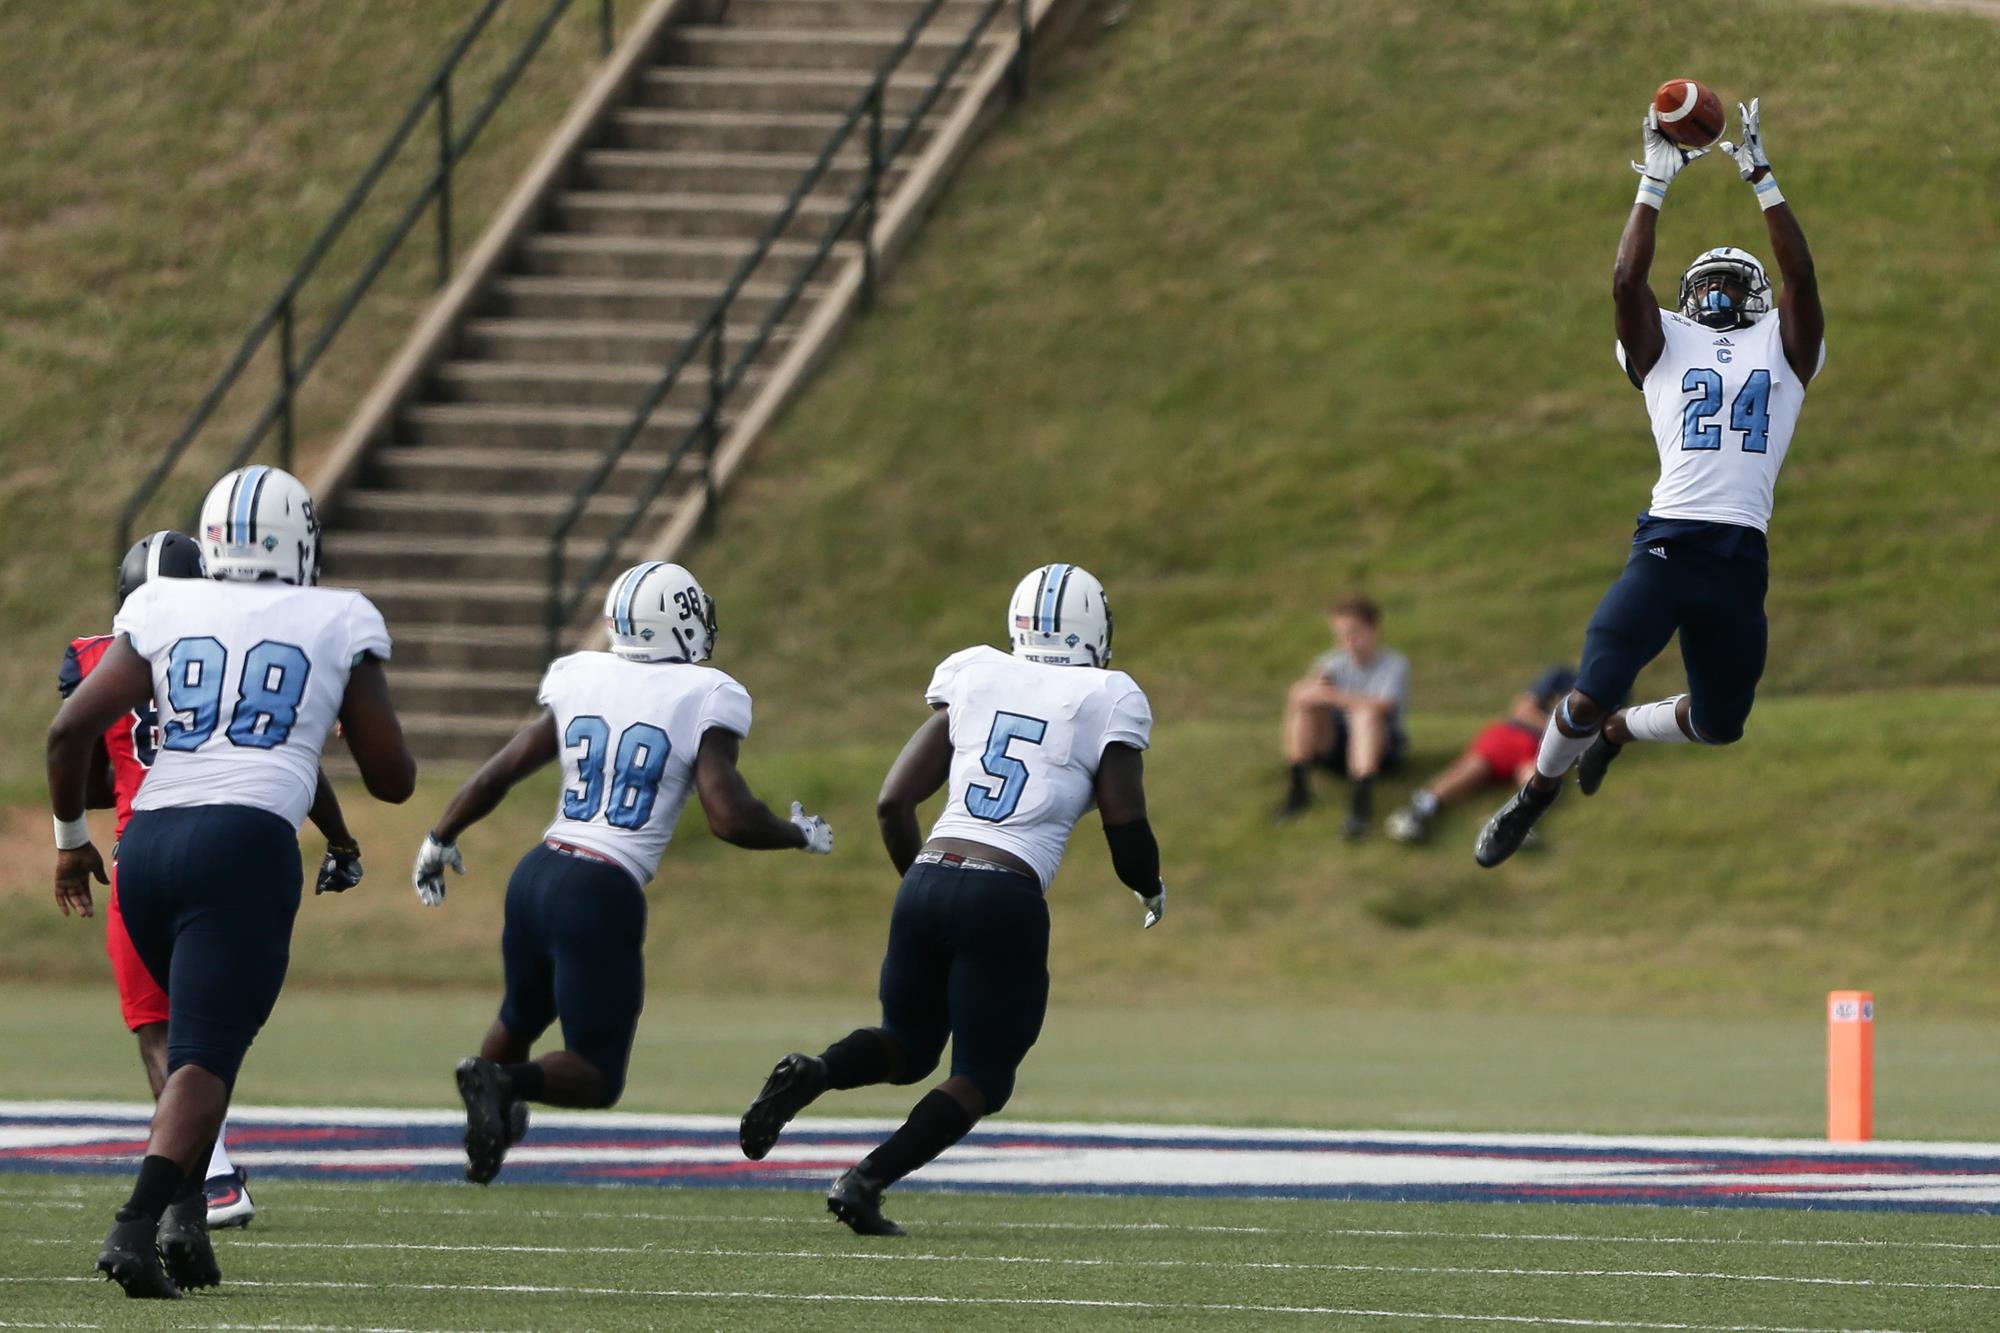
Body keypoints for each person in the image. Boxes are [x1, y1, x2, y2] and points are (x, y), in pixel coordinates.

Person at [48, 466, 414, 1299]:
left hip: (148, 849)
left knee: (190, 1050)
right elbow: (391, 777)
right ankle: (137, 1225)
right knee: (205, 1056)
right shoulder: (339, 615)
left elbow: (69, 730)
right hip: (242, 843)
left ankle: (178, 1226)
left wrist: (71, 844)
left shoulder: (160, 607)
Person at [736, 563, 1164, 1237]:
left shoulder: (976, 672)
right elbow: (1125, 820)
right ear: (1096, 629)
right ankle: (865, 1179)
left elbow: (892, 800)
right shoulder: (1109, 693)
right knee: (983, 1074)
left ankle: (815, 1071)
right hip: (1007, 888)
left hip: (930, 871)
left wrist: (925, 881)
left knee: (907, 1045)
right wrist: (1149, 884)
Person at [1475, 98, 1823, 867]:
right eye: (1710, 280)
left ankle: (1622, 732)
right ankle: (1533, 795)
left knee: (1721, 723)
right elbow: (1626, 277)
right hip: (1667, 547)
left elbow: (1801, 275)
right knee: (1592, 683)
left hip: (1739, 561)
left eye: (1738, 280)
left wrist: (1762, 178)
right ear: (1687, 297)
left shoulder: (1787, 346)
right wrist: (1653, 184)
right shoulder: (1664, 343)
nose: (1724, 291)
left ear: (1760, 298)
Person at [409, 561, 833, 1186]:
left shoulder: (580, 674)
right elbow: (729, 815)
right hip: (601, 886)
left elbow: (499, 770)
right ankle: (500, 1084)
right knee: (596, 1075)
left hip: (539, 871)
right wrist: (796, 833)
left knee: (520, 1014)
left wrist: (439, 836)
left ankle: (486, 1138)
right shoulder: (706, 693)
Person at [1385, 665, 1577, 844]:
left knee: (1539, 779)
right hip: (1514, 734)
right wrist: (1559, 729)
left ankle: (1515, 823)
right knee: (1471, 769)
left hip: (1545, 750)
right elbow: (1522, 710)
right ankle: (1419, 811)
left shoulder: (1604, 700)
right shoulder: (1564, 675)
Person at [1276, 596, 1409, 838]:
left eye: (1354, 632)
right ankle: (1298, 789)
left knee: (1365, 716)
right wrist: (1313, 691)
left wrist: (1333, 697)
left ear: (1374, 630)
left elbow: (1385, 705)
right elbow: (1303, 692)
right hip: (1334, 744)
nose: (1348, 641)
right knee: (1304, 706)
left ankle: (1360, 806)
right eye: (1340, 635)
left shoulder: (1394, 664)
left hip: (1380, 748)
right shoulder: (1331, 663)